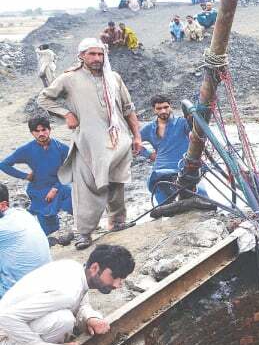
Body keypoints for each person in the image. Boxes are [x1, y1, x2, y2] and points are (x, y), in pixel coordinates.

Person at [36, 38, 142, 250]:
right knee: (86, 186)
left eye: (100, 54)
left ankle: (118, 221)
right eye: (92, 54)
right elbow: (44, 98)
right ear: (81, 56)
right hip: (88, 143)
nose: (97, 58)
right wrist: (66, 113)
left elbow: (128, 110)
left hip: (117, 139)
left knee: (117, 181)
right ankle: (84, 233)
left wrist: (137, 136)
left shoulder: (114, 78)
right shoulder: (69, 78)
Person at [0, 244, 134, 345]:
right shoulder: (68, 291)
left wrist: (90, 318)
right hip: (4, 342)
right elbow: (7, 317)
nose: (117, 285)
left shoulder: (75, 270)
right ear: (95, 268)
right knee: (64, 320)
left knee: (66, 317)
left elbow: (80, 303)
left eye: (121, 279)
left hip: (11, 329)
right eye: (114, 276)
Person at [0, 117, 73, 237]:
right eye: (37, 131)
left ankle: (85, 231)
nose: (41, 134)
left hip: (60, 187)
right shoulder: (27, 149)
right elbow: (3, 165)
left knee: (76, 206)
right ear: (32, 133)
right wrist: (25, 176)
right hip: (39, 191)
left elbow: (70, 170)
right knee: (49, 230)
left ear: (49, 129)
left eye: (44, 130)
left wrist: (55, 188)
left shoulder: (61, 148)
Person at [138, 95, 206, 205]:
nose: (163, 110)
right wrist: (149, 155)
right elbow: (134, 142)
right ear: (154, 110)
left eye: (166, 107)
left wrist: (193, 129)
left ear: (170, 107)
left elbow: (196, 133)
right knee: (161, 197)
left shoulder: (182, 122)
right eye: (159, 108)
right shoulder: (149, 128)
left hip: (184, 167)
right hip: (161, 170)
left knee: (202, 196)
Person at [0, 184, 51, 298]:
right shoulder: (21, 213)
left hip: (20, 295)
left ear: (2, 206)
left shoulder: (3, 227)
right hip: (45, 284)